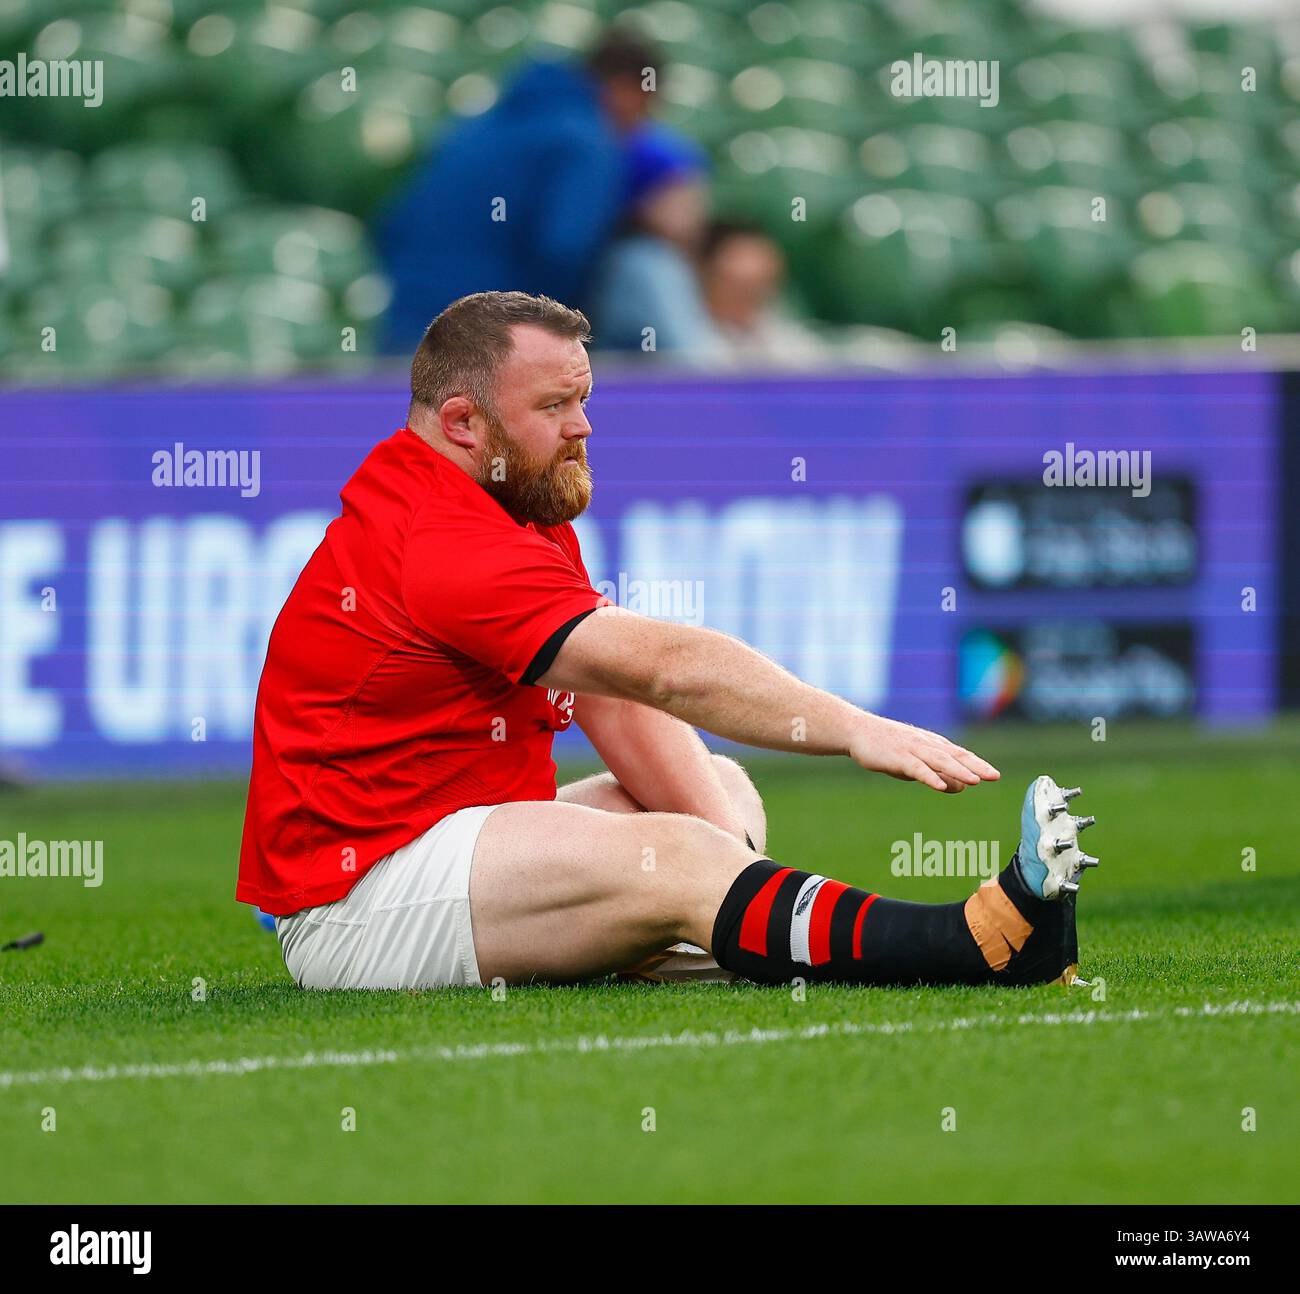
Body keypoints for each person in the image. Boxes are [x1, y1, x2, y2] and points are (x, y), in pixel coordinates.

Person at [237, 290, 1100, 992]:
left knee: (712, 794)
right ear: (463, 421)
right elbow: (667, 669)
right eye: (554, 405)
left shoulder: (508, 499)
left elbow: (617, 695)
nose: (581, 426)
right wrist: (851, 728)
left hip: (442, 841)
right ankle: (980, 942)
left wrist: (732, 866)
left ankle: (729, 937)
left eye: (583, 399)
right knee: (680, 852)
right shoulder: (441, 537)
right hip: (356, 899)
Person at [375, 31, 658, 356]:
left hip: (408, 327)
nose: (640, 127)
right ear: (625, 89)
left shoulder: (473, 127)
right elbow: (564, 247)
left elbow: (394, 222)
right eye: (645, 108)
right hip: (484, 342)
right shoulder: (585, 139)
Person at [698, 220, 825, 367]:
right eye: (741, 285)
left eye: (763, 283)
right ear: (706, 272)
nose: (752, 295)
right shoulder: (689, 341)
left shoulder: (791, 341)